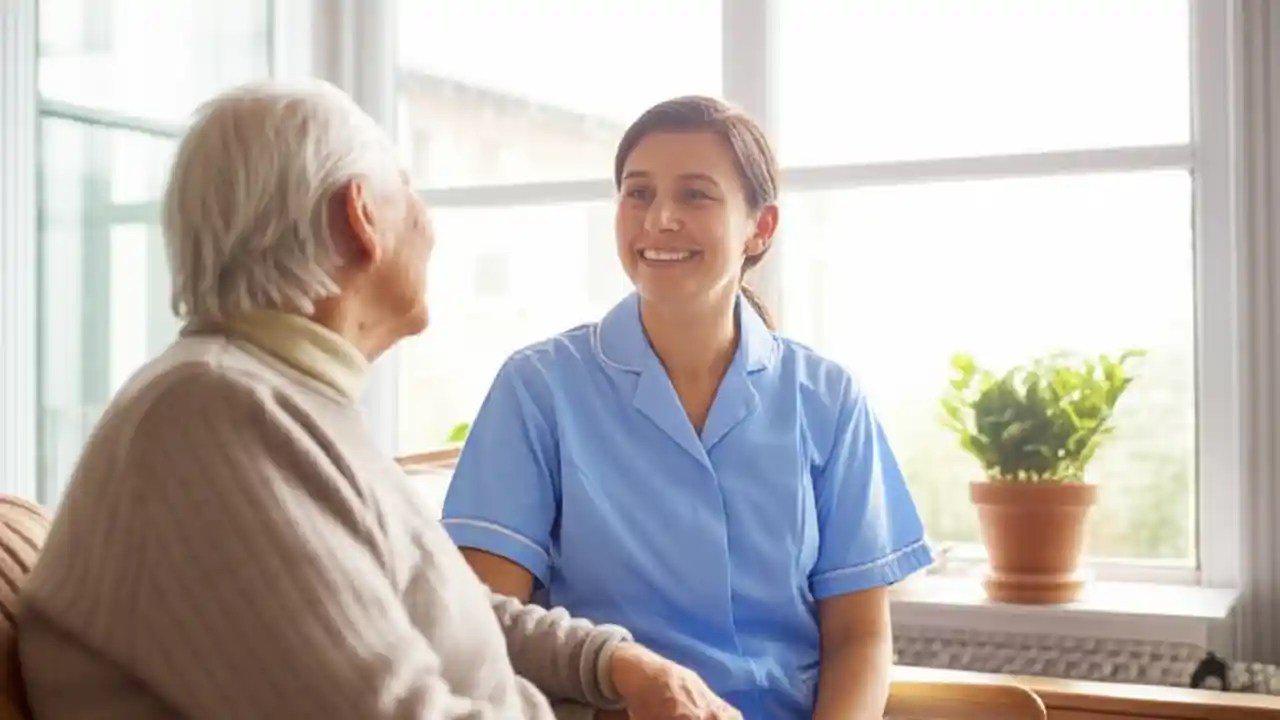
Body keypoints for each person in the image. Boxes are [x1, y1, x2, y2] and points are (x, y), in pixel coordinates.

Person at [16, 80, 739, 720]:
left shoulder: (282, 402)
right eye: (410, 190)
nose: (429, 222)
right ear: (359, 215)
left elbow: (441, 610)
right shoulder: (210, 419)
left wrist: (617, 665)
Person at [441, 96, 934, 720]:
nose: (660, 219)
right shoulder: (538, 388)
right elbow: (486, 621)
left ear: (762, 227)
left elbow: (859, 635)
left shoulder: (829, 399)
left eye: (695, 195)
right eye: (638, 193)